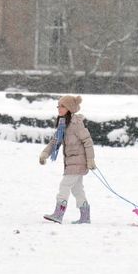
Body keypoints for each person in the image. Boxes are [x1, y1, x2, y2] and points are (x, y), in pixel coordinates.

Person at [38, 94, 96, 224]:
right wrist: (44, 154)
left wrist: (90, 160)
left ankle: (59, 214)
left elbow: (88, 141)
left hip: (78, 162)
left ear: (69, 108)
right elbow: (55, 142)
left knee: (64, 185)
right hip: (71, 162)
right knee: (77, 190)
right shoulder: (63, 124)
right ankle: (85, 216)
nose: (59, 108)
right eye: (58, 106)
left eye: (62, 106)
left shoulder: (76, 124)